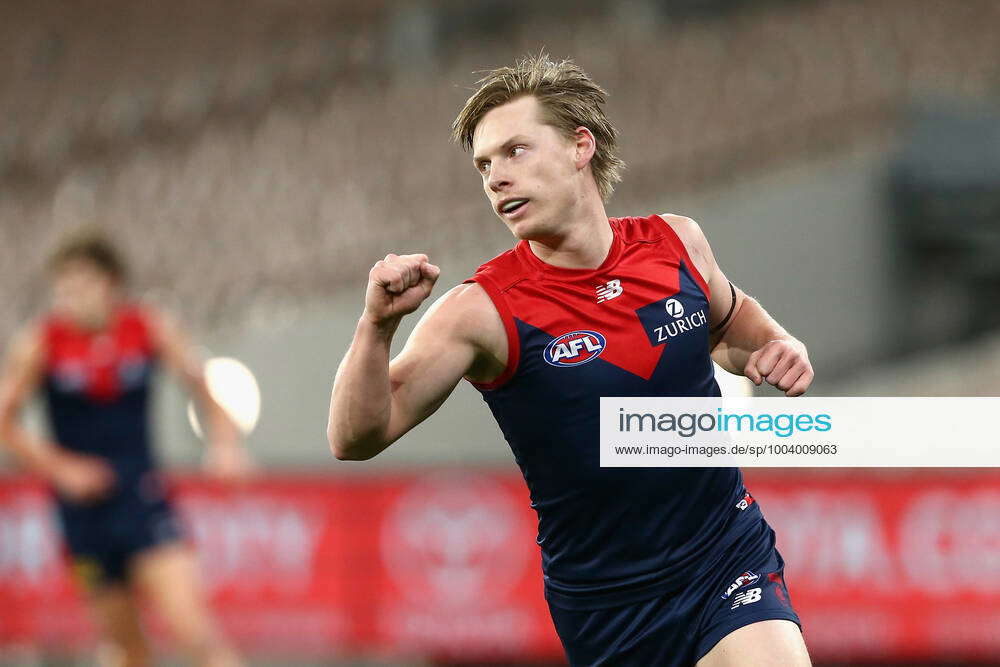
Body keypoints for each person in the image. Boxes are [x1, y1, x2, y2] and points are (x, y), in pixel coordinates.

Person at [327, 54, 814, 666]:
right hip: (608, 605)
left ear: (580, 146)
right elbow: (355, 437)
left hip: (725, 555)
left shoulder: (675, 243)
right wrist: (377, 327)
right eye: (484, 166)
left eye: (516, 151)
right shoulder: (481, 311)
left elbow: (730, 321)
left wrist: (774, 343)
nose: (496, 179)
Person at [0, 231, 249, 667]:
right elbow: (4, 421)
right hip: (82, 515)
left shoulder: (146, 326)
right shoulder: (43, 342)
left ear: (110, 283)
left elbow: (200, 381)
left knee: (196, 633)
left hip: (141, 497)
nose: (69, 299)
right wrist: (60, 468)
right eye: (63, 289)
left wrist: (225, 444)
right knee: (126, 648)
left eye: (80, 286)